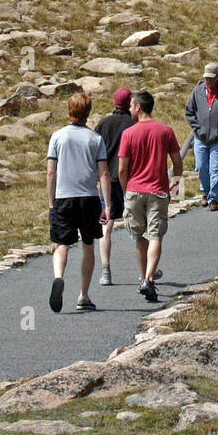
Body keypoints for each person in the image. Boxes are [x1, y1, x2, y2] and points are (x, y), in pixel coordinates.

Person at [45, 92, 112, 313]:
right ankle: (83, 294)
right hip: (89, 198)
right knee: (88, 245)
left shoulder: (58, 136)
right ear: (88, 111)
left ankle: (58, 277)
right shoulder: (95, 139)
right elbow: (103, 174)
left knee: (61, 244)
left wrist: (51, 200)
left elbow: (51, 172)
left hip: (64, 196)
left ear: (69, 110)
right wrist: (107, 203)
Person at [117, 90, 182, 304]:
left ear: (138, 107)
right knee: (155, 235)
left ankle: (143, 276)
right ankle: (149, 279)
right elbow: (177, 160)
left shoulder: (129, 133)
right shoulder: (165, 130)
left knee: (139, 237)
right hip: (158, 190)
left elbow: (122, 168)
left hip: (135, 190)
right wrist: (177, 181)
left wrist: (127, 189)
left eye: (131, 106)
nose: (129, 109)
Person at [93, 87, 134, 286]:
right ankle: (147, 267)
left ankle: (106, 270)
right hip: (130, 179)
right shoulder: (133, 123)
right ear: (130, 103)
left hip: (107, 179)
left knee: (107, 225)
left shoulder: (103, 124)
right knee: (139, 224)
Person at [184, 62, 218, 211]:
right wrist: (197, 129)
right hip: (200, 138)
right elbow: (189, 112)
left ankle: (213, 198)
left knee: (216, 169)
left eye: (212, 78)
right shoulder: (197, 91)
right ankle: (205, 192)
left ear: (217, 77)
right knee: (201, 167)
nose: (209, 81)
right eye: (207, 78)